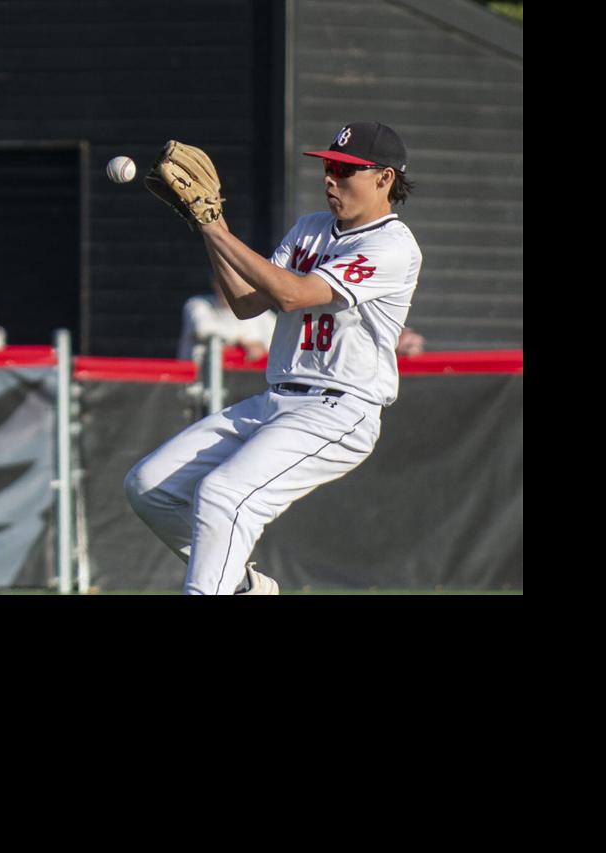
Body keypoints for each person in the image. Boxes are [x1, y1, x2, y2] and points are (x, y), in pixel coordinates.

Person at [124, 121, 422, 595]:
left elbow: (291, 295)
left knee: (224, 496)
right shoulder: (310, 228)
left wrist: (213, 225)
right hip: (277, 400)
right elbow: (246, 303)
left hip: (339, 409)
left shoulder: (391, 246)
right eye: (329, 166)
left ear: (385, 178)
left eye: (345, 170)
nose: (331, 178)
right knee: (150, 486)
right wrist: (210, 227)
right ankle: (244, 586)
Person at [176, 275, 274, 365]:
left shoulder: (262, 314)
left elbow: (277, 342)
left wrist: (261, 346)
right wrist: (245, 341)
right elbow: (203, 329)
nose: (229, 286)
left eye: (236, 281)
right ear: (214, 283)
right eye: (223, 281)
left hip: (245, 377)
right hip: (199, 377)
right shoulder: (197, 304)